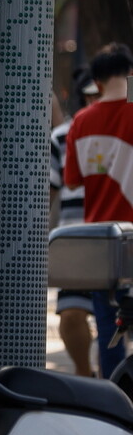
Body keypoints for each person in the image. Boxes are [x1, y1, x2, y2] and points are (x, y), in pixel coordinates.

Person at [63, 42, 133, 378]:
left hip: (101, 241)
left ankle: (116, 403)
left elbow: (73, 182)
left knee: (109, 332)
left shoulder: (82, 120)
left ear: (97, 82)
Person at [51, 68, 100, 376]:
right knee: (71, 314)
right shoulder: (63, 137)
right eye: (93, 95)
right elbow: (50, 189)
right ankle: (87, 377)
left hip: (125, 237)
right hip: (78, 240)